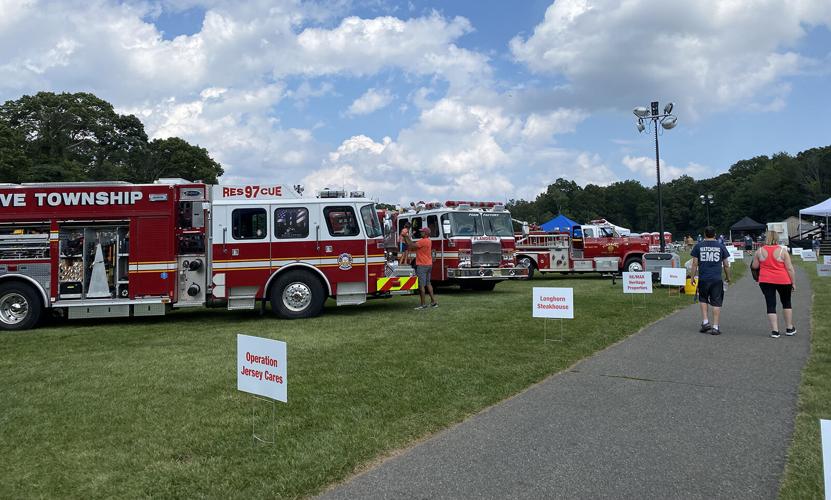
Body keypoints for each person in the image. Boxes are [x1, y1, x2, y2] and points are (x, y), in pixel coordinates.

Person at [751, 230, 796, 338]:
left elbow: (755, 266)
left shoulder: (760, 251)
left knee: (770, 304)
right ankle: (789, 328)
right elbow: (789, 268)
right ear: (777, 238)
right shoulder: (782, 251)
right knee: (786, 302)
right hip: (783, 280)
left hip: (766, 280)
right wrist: (793, 282)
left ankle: (775, 330)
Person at [690, 226, 731, 335]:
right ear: (715, 234)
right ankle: (715, 327)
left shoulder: (698, 246)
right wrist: (728, 277)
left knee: (703, 299)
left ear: (704, 234)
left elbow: (694, 263)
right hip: (717, 278)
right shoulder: (721, 246)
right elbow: (726, 265)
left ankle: (705, 322)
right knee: (716, 301)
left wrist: (692, 277)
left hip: (703, 278)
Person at [406, 227, 438, 310]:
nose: (421, 233)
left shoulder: (422, 241)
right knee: (428, 283)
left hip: (422, 265)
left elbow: (411, 246)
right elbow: (413, 245)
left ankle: (423, 304)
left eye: (422, 232)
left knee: (421, 285)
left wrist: (406, 237)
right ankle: (433, 302)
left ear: (426, 233)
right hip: (429, 264)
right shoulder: (429, 241)